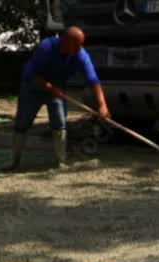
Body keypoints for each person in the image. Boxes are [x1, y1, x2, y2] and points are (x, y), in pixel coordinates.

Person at [10, 26, 110, 169]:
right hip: (33, 86)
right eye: (77, 44)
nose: (80, 48)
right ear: (66, 41)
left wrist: (102, 105)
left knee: (59, 121)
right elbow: (34, 75)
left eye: (81, 44)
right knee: (22, 122)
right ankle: (14, 162)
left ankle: (60, 162)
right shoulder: (46, 47)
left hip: (57, 88)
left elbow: (93, 81)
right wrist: (51, 88)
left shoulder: (81, 55)